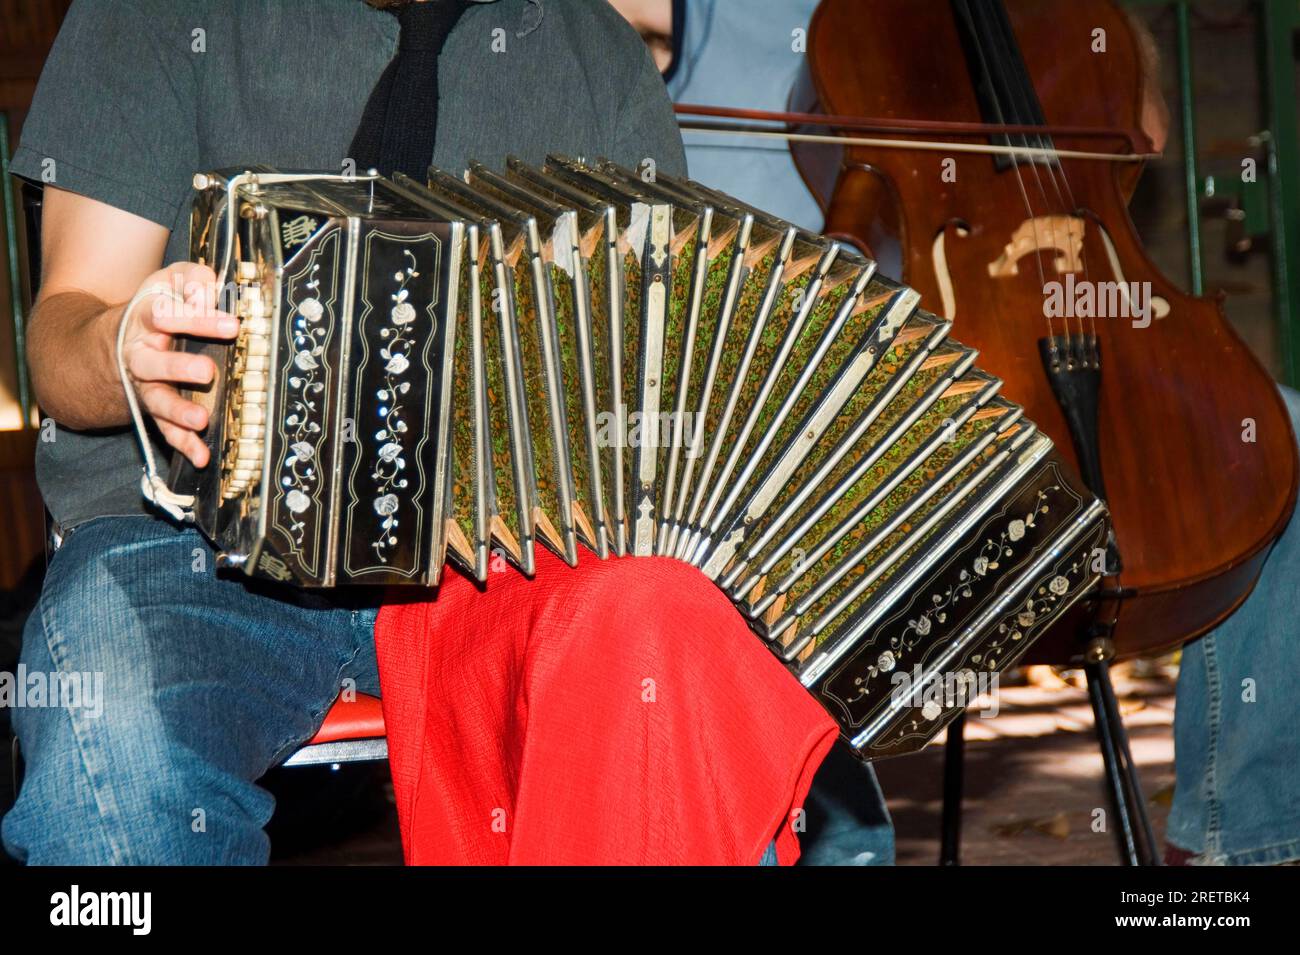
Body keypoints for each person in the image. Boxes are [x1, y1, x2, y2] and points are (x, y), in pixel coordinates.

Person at [3, 0, 838, 866]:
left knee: (665, 630)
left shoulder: (597, 51)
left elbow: (645, 371)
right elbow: (64, 334)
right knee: (112, 736)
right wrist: (124, 347)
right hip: (192, 546)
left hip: (494, 559)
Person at [612, 0, 1300, 867]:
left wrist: (1112, 73)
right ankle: (820, 844)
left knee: (1286, 440)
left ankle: (1245, 843)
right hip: (853, 348)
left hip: (1060, 305)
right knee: (734, 516)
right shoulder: (762, 24)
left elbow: (1142, 121)